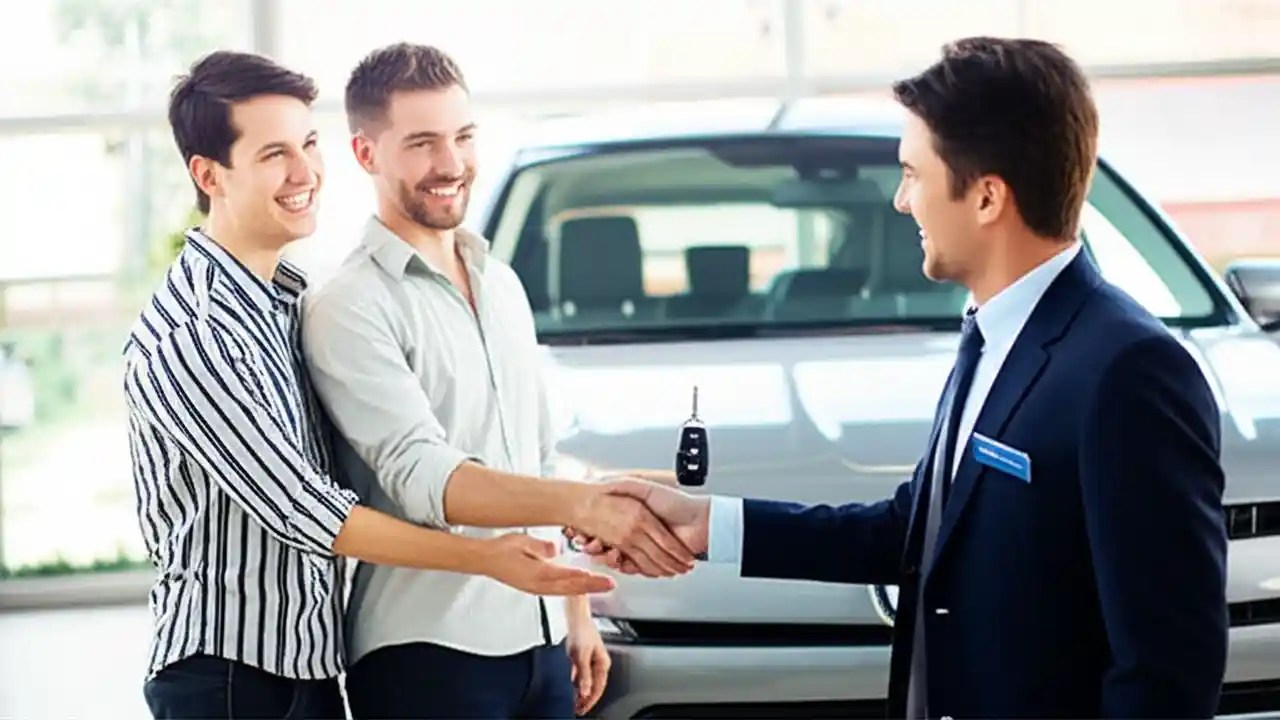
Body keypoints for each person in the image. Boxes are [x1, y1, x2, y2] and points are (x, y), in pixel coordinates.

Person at [577, 37, 1229, 719]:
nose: (899, 201)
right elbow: (914, 532)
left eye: (912, 174)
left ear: (986, 198)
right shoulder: (993, 336)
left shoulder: (1129, 371)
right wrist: (708, 524)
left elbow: (1167, 668)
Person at [124, 50, 681, 720]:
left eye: (307, 144)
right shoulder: (202, 331)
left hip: (308, 662)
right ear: (208, 174)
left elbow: (526, 451)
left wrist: (571, 608)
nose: (305, 173)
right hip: (232, 674)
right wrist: (510, 546)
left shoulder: (286, 299)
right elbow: (310, 510)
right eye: (275, 154)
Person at [298, 43, 693, 719]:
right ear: (367, 155)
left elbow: (537, 452)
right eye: (422, 143)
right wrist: (586, 505)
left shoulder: (500, 280)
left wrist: (574, 611)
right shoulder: (349, 304)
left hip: (539, 641)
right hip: (425, 653)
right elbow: (423, 474)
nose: (451, 165)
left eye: (463, 137)